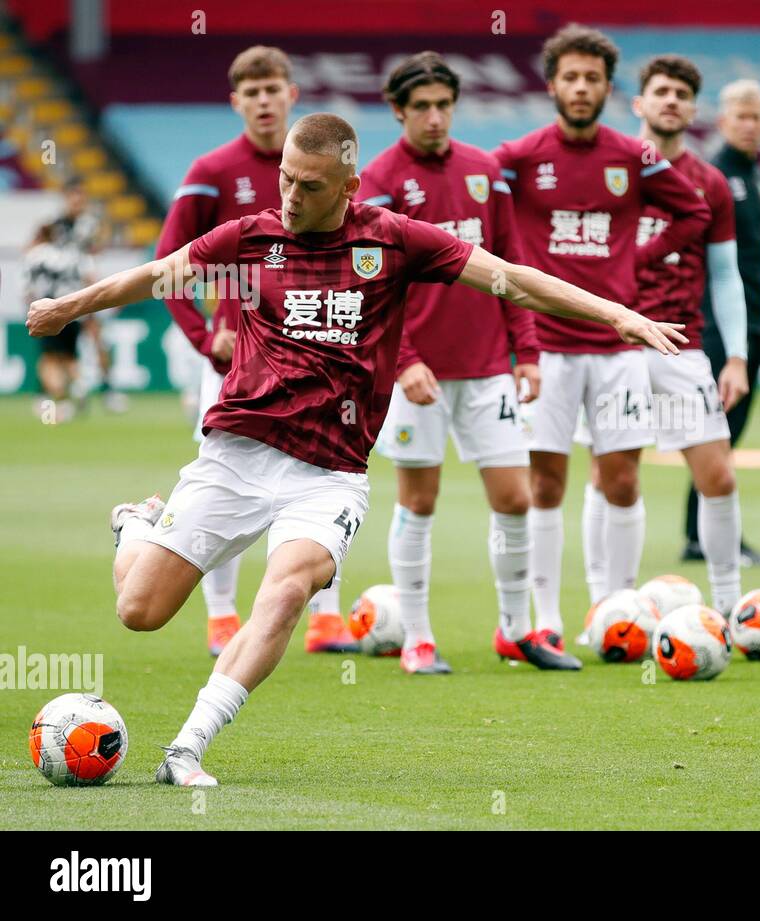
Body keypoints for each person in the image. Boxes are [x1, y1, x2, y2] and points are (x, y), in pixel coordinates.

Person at [26, 113, 685, 786]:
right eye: (284, 178)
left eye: (308, 186)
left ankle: (187, 746)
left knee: (287, 589)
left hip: (330, 473)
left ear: (350, 183)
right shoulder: (250, 238)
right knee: (139, 612)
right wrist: (69, 308)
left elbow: (512, 277)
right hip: (238, 452)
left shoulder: (393, 241)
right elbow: (161, 273)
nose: (289, 196)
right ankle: (137, 524)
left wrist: (618, 314)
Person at [493, 24, 710, 655]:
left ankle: (614, 611)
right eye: (571, 77)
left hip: (618, 351)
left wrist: (639, 260)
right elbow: (476, 197)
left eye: (592, 79)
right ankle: (545, 618)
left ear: (609, 88)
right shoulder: (521, 155)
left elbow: (692, 212)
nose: (581, 88)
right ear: (553, 84)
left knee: (621, 482)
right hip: (547, 349)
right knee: (546, 487)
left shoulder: (633, 156)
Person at [359, 52, 566, 672]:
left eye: (443, 105)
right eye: (421, 106)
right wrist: (404, 360)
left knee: (514, 497)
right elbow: (370, 287)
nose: (434, 117)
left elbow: (511, 265)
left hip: (486, 371)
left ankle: (515, 630)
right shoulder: (379, 182)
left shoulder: (484, 172)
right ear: (398, 110)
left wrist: (525, 350)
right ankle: (419, 639)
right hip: (417, 374)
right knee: (419, 502)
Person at [155, 46, 352, 657]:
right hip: (240, 364)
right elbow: (166, 266)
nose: (264, 101)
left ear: (293, 96)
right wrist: (200, 334)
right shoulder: (213, 169)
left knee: (326, 476)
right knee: (224, 484)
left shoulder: (325, 163)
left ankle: (325, 617)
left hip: (321, 356)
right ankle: (221, 617)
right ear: (235, 101)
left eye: (274, 89)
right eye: (252, 91)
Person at [580, 54, 749, 616]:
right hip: (614, 346)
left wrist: (738, 357)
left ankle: (730, 609)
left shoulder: (710, 183)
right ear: (639, 103)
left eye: (681, 92)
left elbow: (724, 274)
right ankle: (609, 610)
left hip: (682, 347)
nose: (671, 100)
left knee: (718, 477)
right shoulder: (609, 170)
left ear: (693, 109)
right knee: (613, 479)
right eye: (661, 91)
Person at [681, 79, 760, 567]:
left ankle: (705, 534)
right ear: (721, 122)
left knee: (727, 434)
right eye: (739, 116)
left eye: (755, 117)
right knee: (714, 433)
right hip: (719, 325)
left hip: (753, 321)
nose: (748, 125)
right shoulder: (714, 174)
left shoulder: (756, 174)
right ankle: (706, 537)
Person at [24, 220, 92, 422]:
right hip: (73, 311)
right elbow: (89, 280)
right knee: (70, 356)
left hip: (48, 310)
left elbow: (27, 288)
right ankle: (79, 385)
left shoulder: (36, 255)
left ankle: (60, 401)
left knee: (49, 358)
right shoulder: (75, 255)